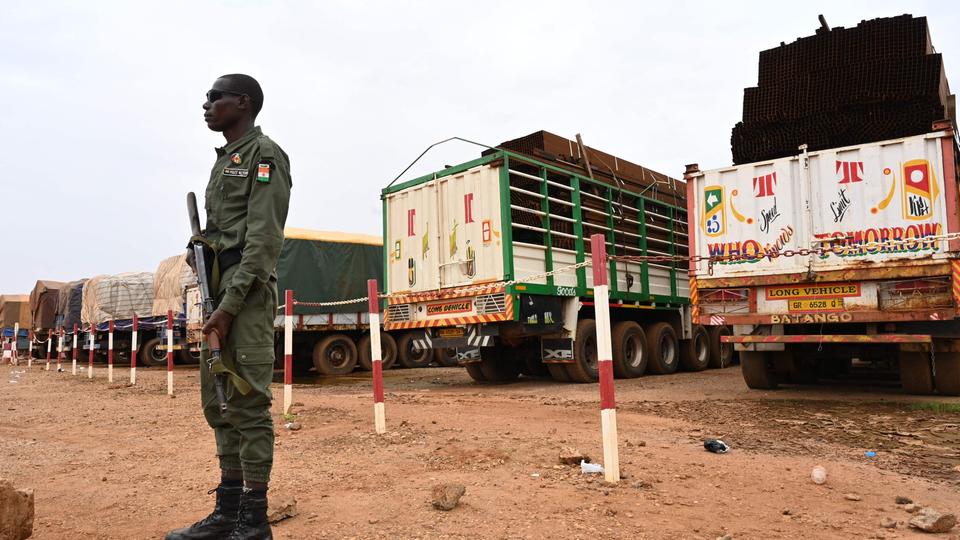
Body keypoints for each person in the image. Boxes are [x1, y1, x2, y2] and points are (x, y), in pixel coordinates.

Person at [167, 74, 291, 540]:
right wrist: (200, 247)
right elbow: (225, 232)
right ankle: (227, 511)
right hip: (218, 293)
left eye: (215, 97)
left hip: (246, 298)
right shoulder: (225, 161)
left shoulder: (265, 156)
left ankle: (253, 521)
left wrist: (229, 307)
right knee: (218, 401)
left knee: (248, 404)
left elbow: (263, 244)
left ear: (243, 102)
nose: (206, 104)